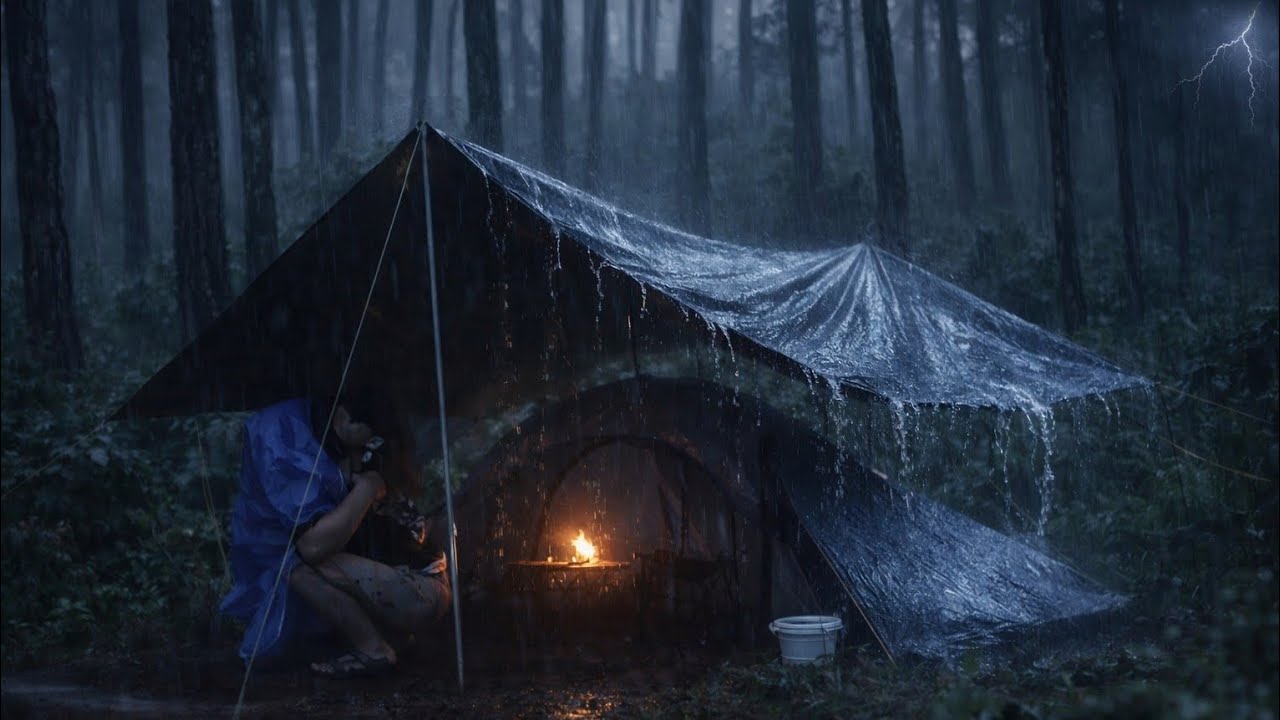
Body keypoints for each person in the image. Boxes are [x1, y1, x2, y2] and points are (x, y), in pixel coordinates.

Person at [219, 393, 450, 677]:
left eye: (365, 446)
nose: (357, 454)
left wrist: (368, 486)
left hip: (419, 591)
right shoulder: (345, 463)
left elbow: (314, 548)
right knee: (303, 560)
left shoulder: (370, 473)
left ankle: (374, 650)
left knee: (295, 565)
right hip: (415, 585)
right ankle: (395, 639)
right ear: (339, 418)